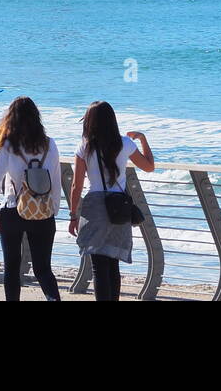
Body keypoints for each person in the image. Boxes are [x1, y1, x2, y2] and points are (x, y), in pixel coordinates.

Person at [67, 101, 154, 301]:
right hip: (119, 206)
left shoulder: (84, 147)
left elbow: (76, 186)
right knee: (113, 263)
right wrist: (143, 139)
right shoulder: (125, 143)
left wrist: (73, 216)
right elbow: (149, 167)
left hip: (94, 207)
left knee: (99, 266)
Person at [0, 97, 62, 301]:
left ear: (11, 119)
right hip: (43, 211)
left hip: (13, 210)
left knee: (11, 267)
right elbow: (56, 181)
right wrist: (53, 210)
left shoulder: (8, 145)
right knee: (43, 269)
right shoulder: (50, 144)